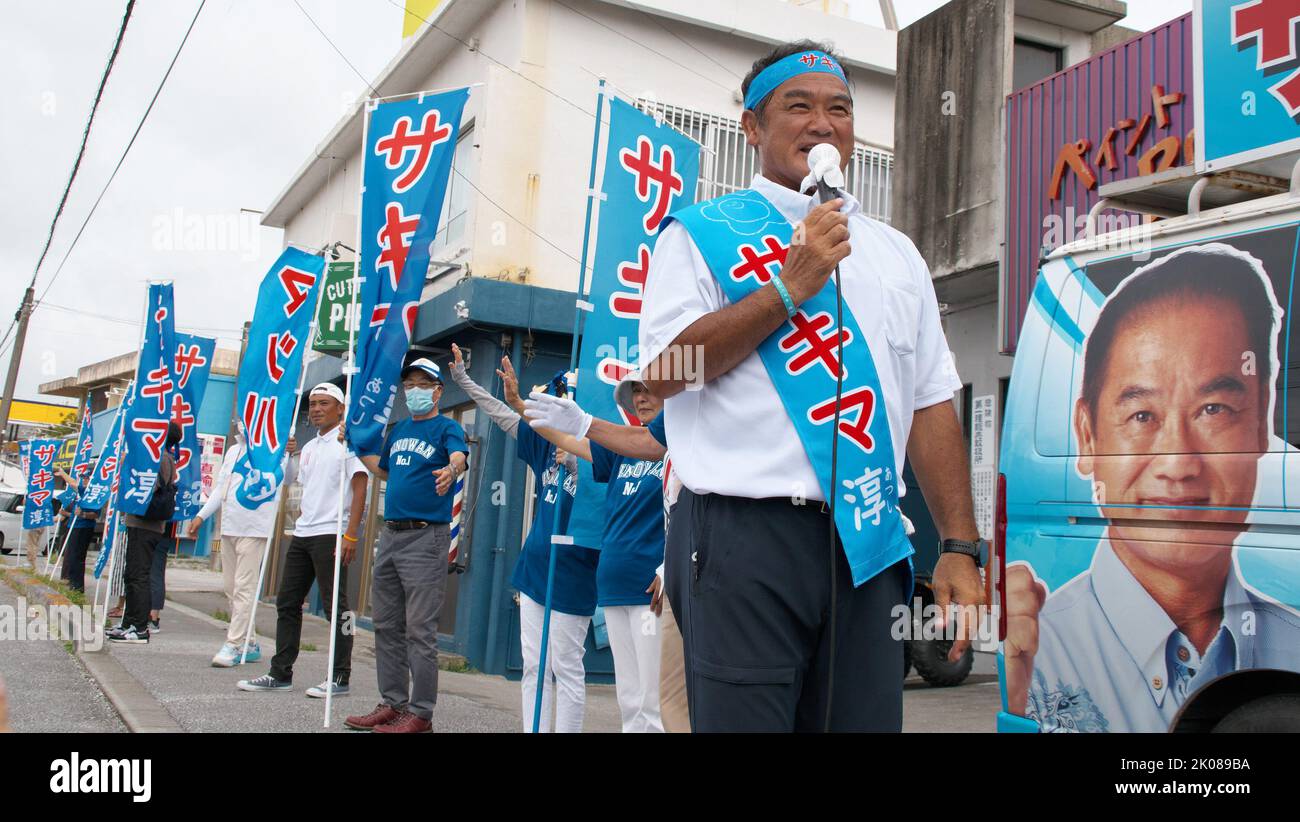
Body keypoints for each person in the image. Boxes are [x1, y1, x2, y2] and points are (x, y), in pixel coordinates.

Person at [637, 40, 983, 731]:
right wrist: (787, 289)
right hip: (741, 537)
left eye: (840, 109)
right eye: (798, 107)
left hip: (870, 540)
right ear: (753, 127)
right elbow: (662, 378)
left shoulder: (894, 252)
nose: (824, 124)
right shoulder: (701, 234)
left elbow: (930, 400)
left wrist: (959, 546)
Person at [1005, 243, 1300, 732]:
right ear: (1087, 434)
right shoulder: (1041, 651)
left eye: (1214, 410)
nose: (1178, 463)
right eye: (1141, 416)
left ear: (1261, 421)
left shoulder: (1291, 643)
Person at [448, 344, 599, 732]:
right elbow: (501, 415)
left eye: (565, 399)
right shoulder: (544, 443)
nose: (557, 404)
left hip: (574, 571)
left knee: (565, 667)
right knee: (533, 665)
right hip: (535, 568)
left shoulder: (604, 448)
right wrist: (467, 382)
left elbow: (609, 488)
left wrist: (580, 462)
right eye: (555, 397)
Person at [523, 379, 690, 732]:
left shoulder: (682, 445)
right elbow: (571, 442)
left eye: (648, 389)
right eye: (635, 393)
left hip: (652, 592)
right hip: (613, 586)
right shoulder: (622, 446)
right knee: (629, 700)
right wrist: (525, 408)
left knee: (655, 702)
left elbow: (687, 512)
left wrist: (667, 565)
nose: (641, 398)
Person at [343, 358, 468, 734]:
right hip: (391, 535)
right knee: (386, 624)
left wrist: (453, 470)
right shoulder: (397, 431)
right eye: (410, 384)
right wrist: (351, 440)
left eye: (423, 383)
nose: (415, 390)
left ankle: (421, 713)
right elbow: (383, 469)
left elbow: (460, 456)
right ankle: (392, 703)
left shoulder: (448, 427)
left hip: (425, 537)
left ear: (437, 390)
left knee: (419, 629)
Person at [237, 383, 367, 698]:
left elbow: (361, 488)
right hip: (303, 531)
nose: (317, 409)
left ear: (340, 409)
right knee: (287, 603)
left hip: (332, 533)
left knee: (337, 607)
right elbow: (296, 479)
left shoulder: (349, 444)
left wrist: (351, 534)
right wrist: (290, 453)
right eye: (313, 404)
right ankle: (280, 673)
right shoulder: (309, 447)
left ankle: (340, 676)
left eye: (324, 403)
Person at [185, 420, 273, 667]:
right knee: (231, 588)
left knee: (244, 588)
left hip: (254, 527)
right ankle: (251, 642)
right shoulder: (233, 451)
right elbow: (220, 488)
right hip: (229, 526)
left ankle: (234, 644)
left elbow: (286, 478)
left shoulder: (270, 447)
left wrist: (287, 451)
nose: (240, 424)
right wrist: (202, 515)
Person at [108, 421, 181, 644]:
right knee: (131, 574)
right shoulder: (159, 456)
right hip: (139, 522)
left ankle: (140, 627)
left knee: (139, 576)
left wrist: (129, 466)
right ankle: (129, 622)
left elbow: (149, 485)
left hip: (147, 524)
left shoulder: (161, 458)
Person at [54, 467, 97, 593]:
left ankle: (77, 587)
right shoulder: (83, 491)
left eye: (86, 478)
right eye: (83, 478)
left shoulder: (93, 492)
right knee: (71, 556)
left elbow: (95, 514)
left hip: (83, 527)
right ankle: (72, 583)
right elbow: (74, 484)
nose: (84, 480)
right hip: (74, 525)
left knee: (77, 557)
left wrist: (83, 514)